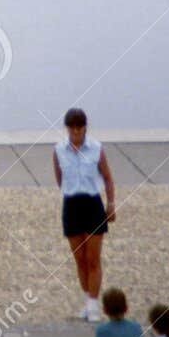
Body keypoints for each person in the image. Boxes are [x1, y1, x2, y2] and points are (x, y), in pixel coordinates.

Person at [53, 106, 115, 322]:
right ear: (67, 129)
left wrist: (111, 203)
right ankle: (87, 300)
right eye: (72, 128)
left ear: (85, 127)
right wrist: (68, 191)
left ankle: (94, 305)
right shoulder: (59, 150)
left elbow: (107, 177)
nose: (76, 132)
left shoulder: (96, 148)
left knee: (93, 259)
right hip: (71, 204)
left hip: (92, 203)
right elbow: (59, 176)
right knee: (79, 259)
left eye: (80, 128)